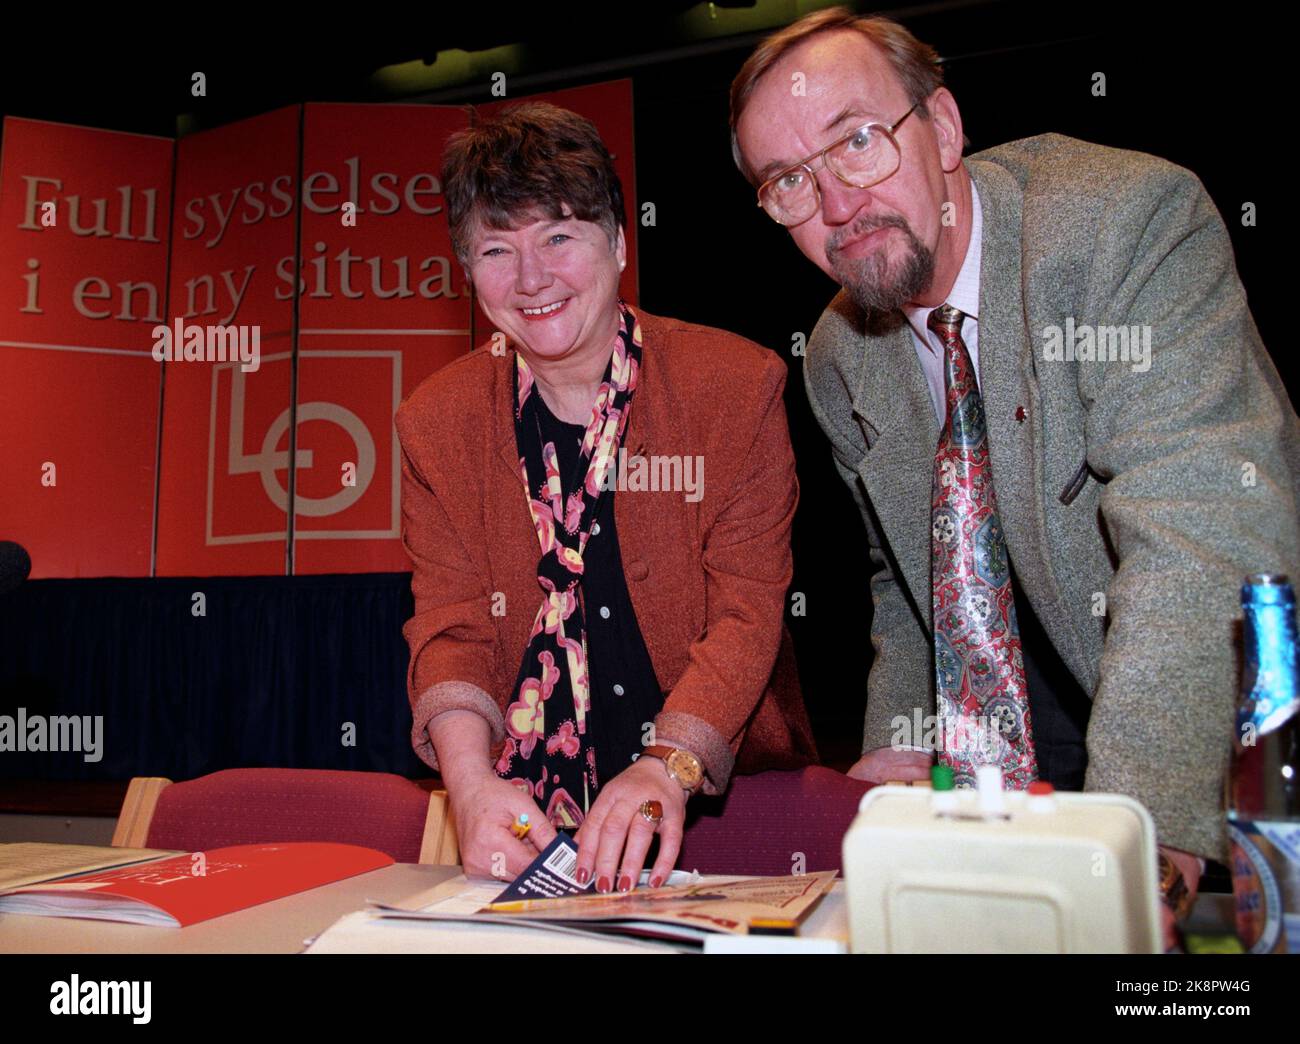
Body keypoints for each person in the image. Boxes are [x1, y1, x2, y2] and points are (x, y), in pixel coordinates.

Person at [730, 8, 1299, 943]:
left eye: (858, 143)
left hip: (1222, 726)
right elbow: (906, 577)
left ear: (944, 127)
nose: (836, 204)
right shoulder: (837, 352)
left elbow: (1200, 528)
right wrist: (897, 751)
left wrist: (1126, 849)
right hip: (1025, 737)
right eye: (789, 180)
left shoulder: (1123, 221)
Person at [396, 102, 816, 891]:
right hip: (528, 829)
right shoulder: (435, 424)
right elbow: (450, 627)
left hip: (725, 807)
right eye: (497, 249)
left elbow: (747, 610)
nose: (531, 278)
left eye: (559, 236)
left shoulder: (734, 386)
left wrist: (667, 765)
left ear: (620, 242)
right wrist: (470, 785)